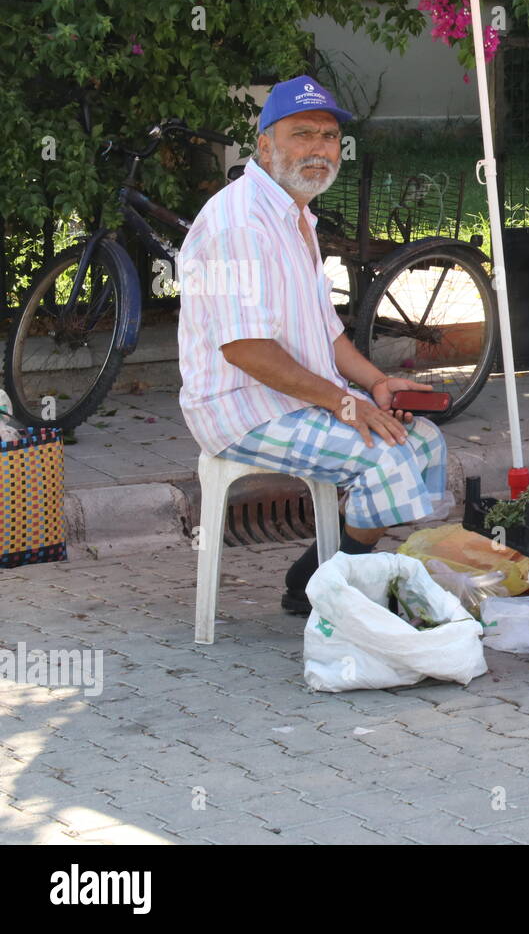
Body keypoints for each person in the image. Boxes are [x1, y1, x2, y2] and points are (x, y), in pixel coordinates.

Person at [177, 75, 454, 615]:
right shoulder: (239, 223)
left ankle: (317, 578)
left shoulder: (296, 214)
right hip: (239, 408)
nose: (319, 149)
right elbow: (246, 351)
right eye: (301, 134)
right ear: (264, 145)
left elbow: (326, 331)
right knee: (386, 459)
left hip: (296, 398)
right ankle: (336, 594)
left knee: (422, 442)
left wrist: (375, 383)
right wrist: (343, 402)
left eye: (328, 137)